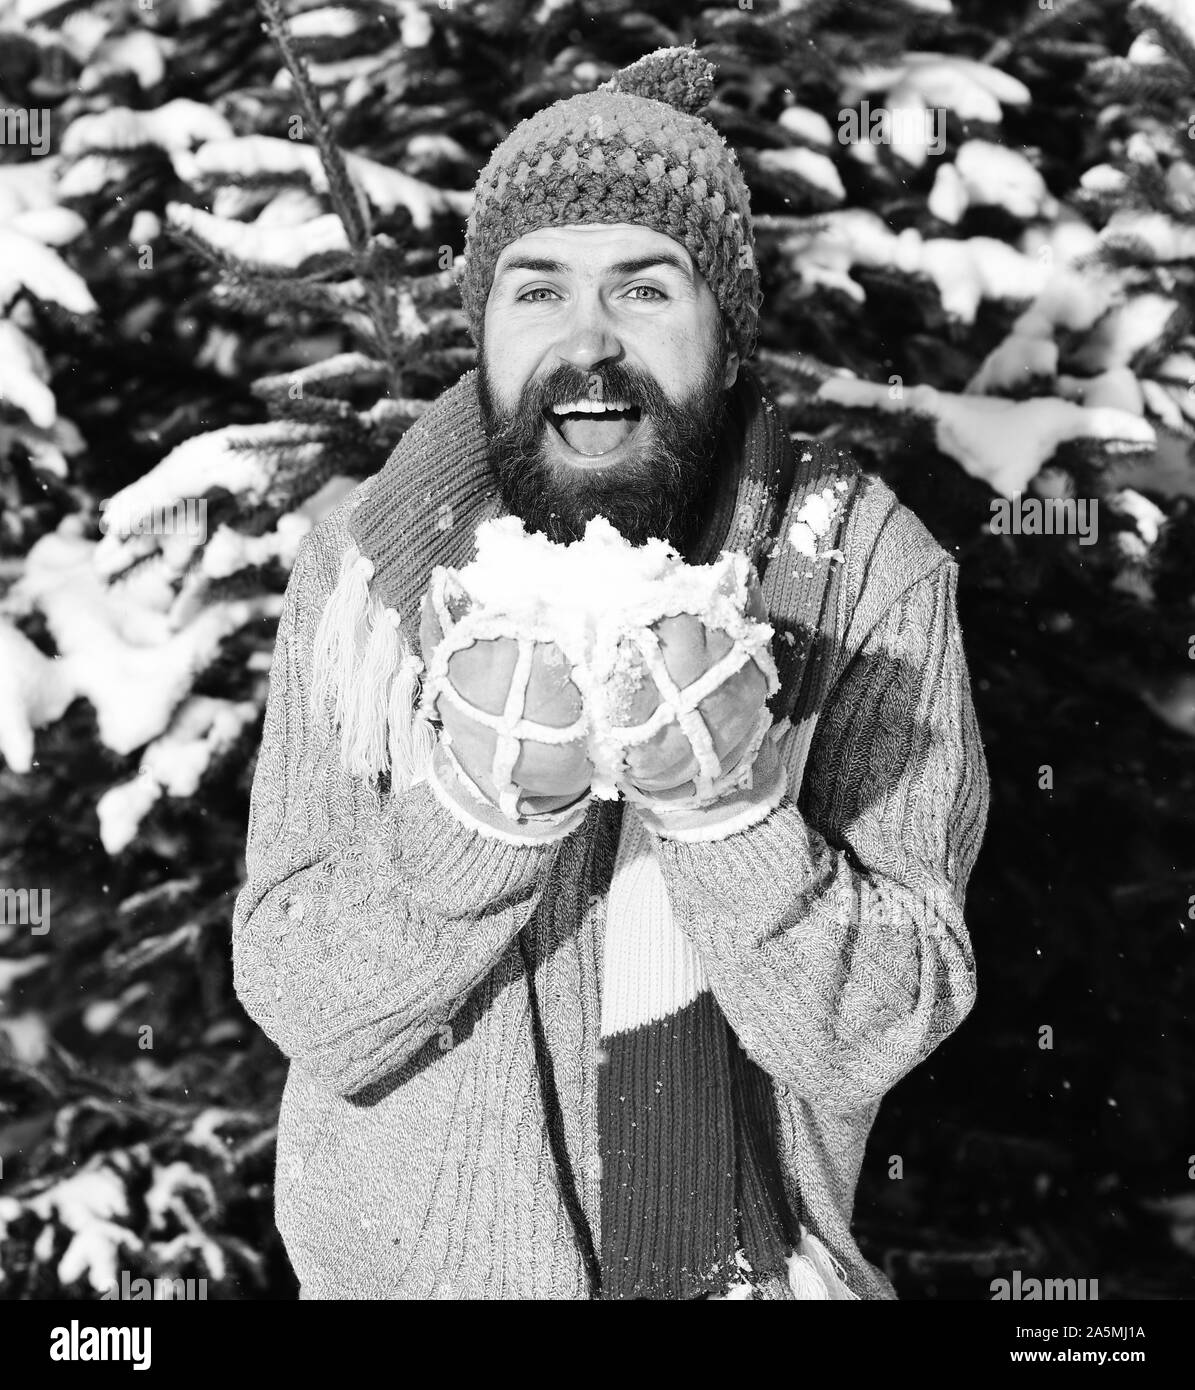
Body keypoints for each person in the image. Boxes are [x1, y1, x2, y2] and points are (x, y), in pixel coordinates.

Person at [232, 45, 990, 1300]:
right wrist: (477, 821)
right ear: (480, 331)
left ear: (728, 335)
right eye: (538, 292)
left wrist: (732, 818)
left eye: (644, 290)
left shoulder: (857, 569)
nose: (589, 345)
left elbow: (878, 1022)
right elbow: (304, 996)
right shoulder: (363, 579)